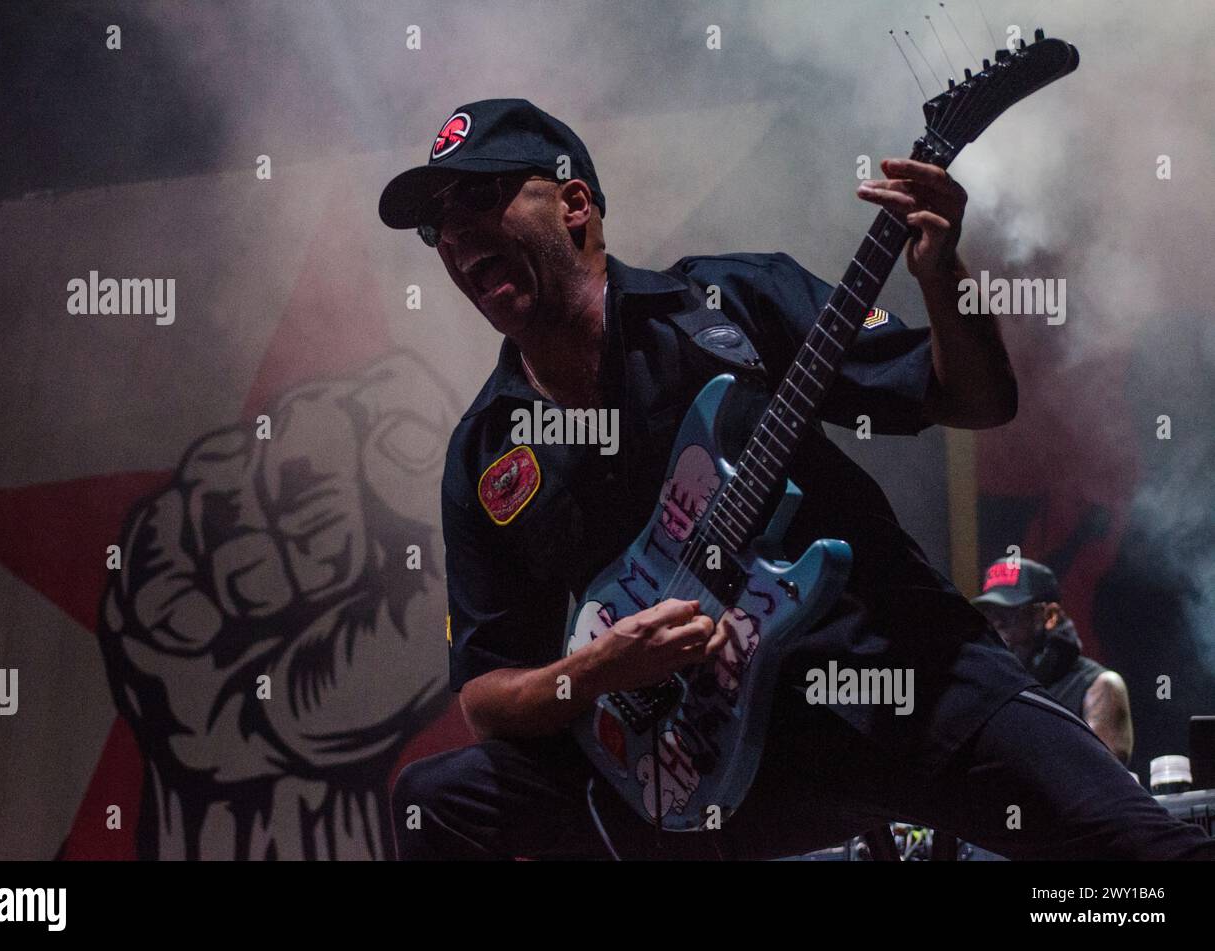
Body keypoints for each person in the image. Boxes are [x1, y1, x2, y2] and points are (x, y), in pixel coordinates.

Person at [377, 98, 1214, 859]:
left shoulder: (729, 306)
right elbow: (489, 695)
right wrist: (596, 673)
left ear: (573, 204)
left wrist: (940, 270)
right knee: (434, 802)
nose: (453, 234)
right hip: (700, 765)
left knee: (1146, 859)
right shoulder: (489, 452)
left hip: (902, 682)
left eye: (479, 198)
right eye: (436, 224)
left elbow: (975, 397)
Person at [972, 558, 1134, 764]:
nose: (997, 625)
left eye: (1009, 613)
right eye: (990, 615)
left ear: (1049, 616)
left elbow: (1100, 783)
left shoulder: (1099, 688)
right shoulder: (990, 689)